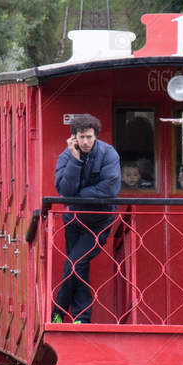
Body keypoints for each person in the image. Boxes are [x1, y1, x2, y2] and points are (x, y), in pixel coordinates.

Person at [52, 114, 120, 324]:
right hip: (74, 220)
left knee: (74, 263)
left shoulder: (108, 153)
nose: (85, 142)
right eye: (81, 137)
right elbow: (64, 188)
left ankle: (58, 312)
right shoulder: (67, 156)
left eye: (89, 137)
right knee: (78, 266)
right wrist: (75, 160)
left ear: (95, 136)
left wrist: (77, 196)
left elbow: (110, 188)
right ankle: (82, 317)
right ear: (74, 138)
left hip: (99, 221)